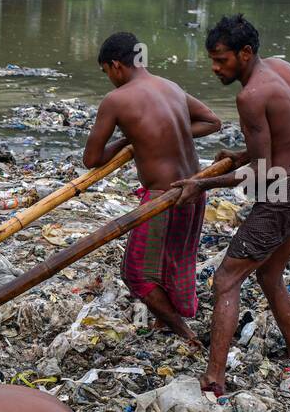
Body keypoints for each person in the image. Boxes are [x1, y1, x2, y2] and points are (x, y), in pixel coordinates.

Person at [170, 15, 290, 396]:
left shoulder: (250, 96)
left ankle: (214, 378)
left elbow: (265, 172)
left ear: (246, 53)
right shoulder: (283, 69)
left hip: (284, 196)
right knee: (269, 275)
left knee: (226, 279)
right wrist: (240, 154)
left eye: (221, 60)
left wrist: (202, 184)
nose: (215, 69)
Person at [83, 31, 222, 345]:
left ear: (116, 65)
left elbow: (91, 158)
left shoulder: (117, 100)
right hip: (195, 189)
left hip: (163, 197)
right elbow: (213, 122)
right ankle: (165, 321)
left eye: (107, 73)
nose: (110, 80)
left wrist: (130, 138)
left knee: (136, 273)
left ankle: (184, 333)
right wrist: (160, 133)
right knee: (175, 259)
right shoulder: (170, 87)